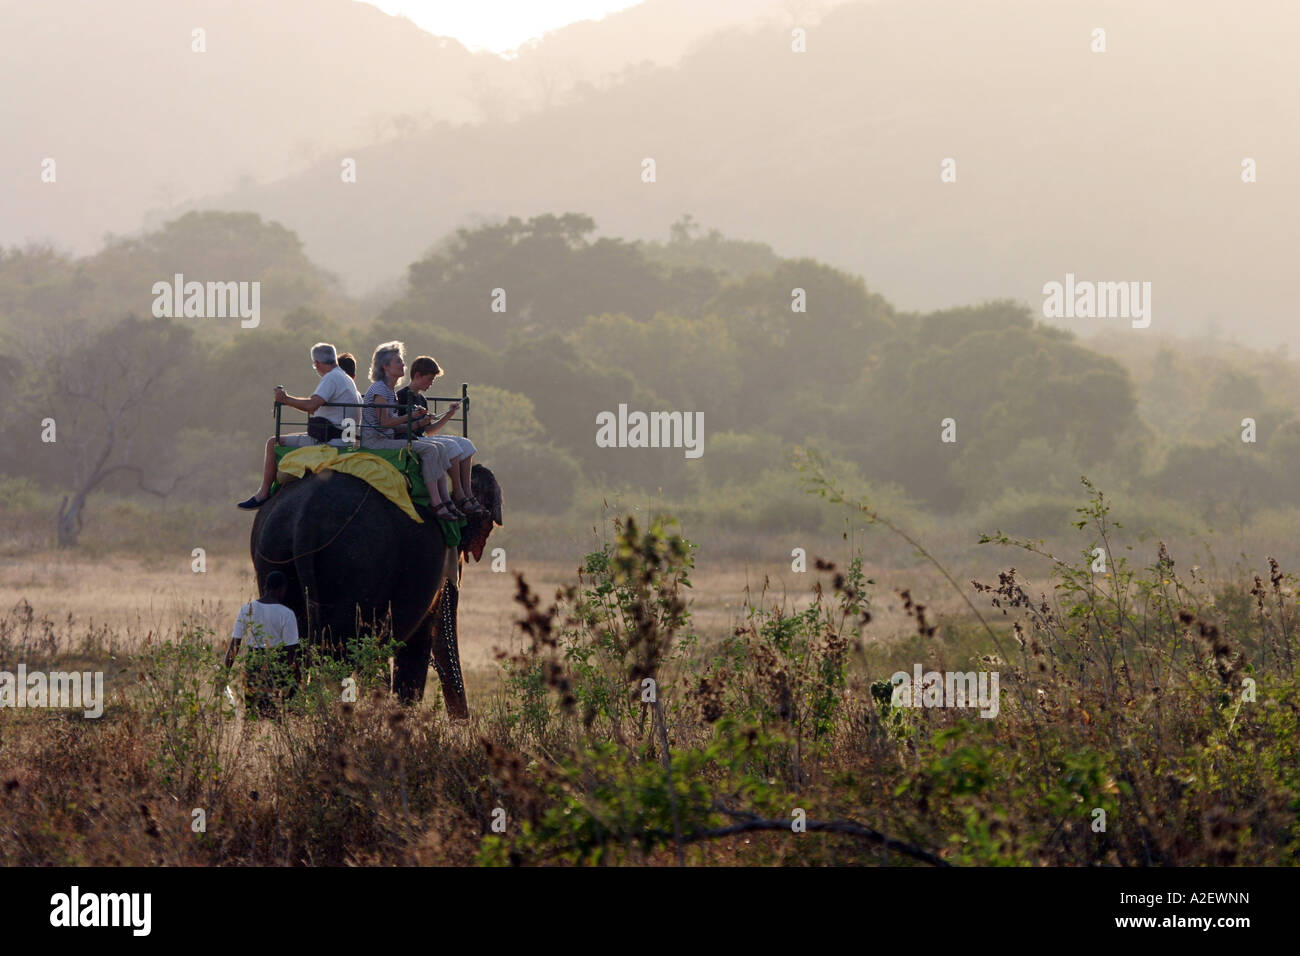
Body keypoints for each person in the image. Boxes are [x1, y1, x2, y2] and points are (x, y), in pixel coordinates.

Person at [237, 342, 362, 509]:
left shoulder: (331, 378)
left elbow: (312, 405)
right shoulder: (345, 377)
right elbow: (317, 407)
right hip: (343, 436)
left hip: (329, 440)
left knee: (272, 442)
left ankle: (263, 493)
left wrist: (285, 399)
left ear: (316, 363)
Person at [361, 341, 467, 521]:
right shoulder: (380, 389)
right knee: (431, 448)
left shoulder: (389, 390)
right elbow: (385, 423)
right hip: (376, 441)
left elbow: (392, 425)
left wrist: (418, 424)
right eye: (398, 362)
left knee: (439, 447)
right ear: (385, 366)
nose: (403, 365)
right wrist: (411, 417)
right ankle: (436, 502)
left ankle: (446, 500)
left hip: (386, 437)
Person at [396, 355, 486, 516]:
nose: (431, 384)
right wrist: (419, 423)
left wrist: (449, 414)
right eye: (429, 379)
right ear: (417, 375)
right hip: (412, 439)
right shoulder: (402, 396)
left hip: (421, 436)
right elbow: (397, 427)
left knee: (466, 445)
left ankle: (467, 492)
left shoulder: (422, 399)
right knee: (452, 446)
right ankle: (458, 494)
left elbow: (429, 431)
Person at [224, 570, 301, 718]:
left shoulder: (247, 609)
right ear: (281, 589)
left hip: (254, 664)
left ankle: (251, 739)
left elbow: (234, 645)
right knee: (277, 716)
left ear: (265, 587)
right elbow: (291, 652)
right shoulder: (287, 614)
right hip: (277, 666)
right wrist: (296, 679)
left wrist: (224, 673)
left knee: (254, 714)